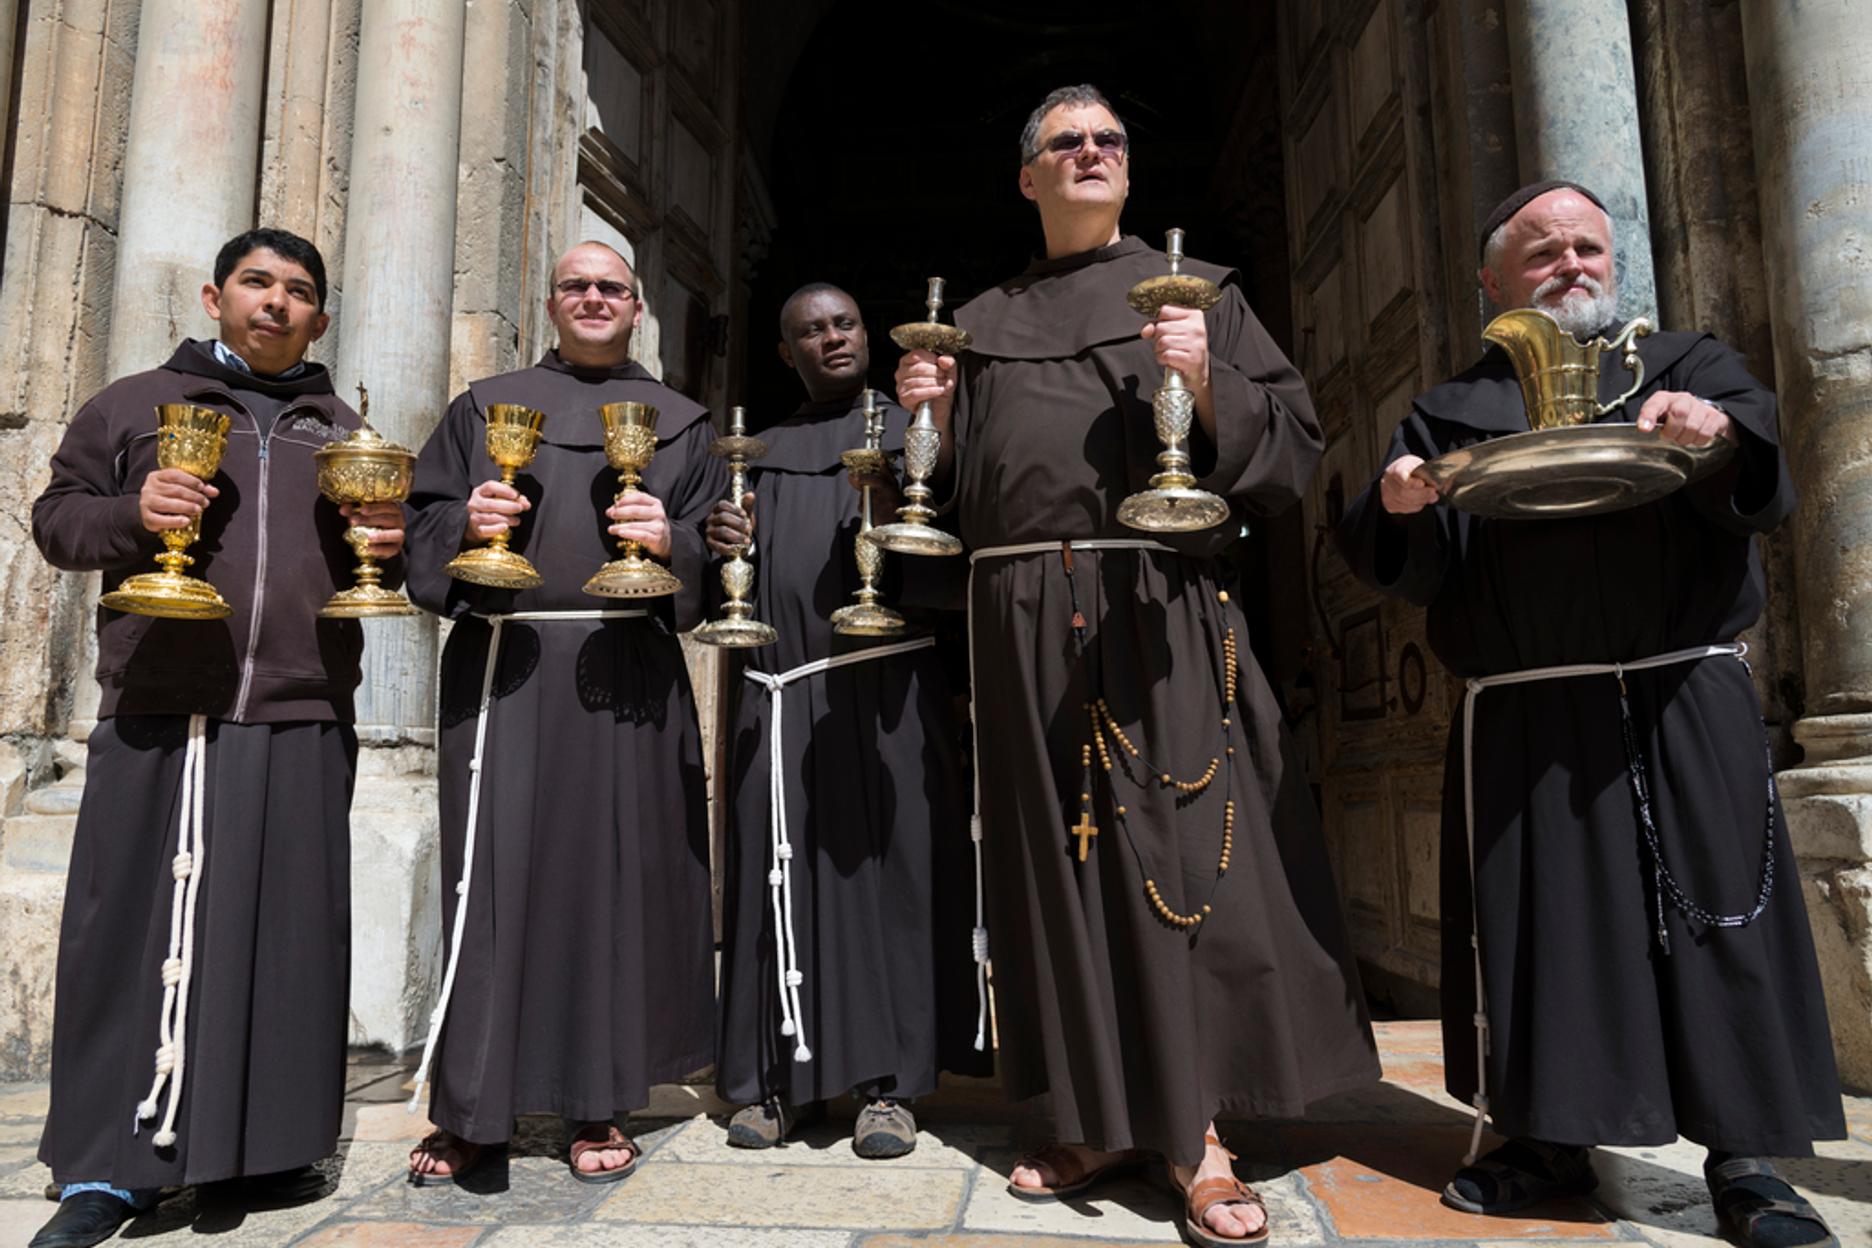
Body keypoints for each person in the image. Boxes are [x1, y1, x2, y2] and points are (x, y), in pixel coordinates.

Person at [894, 84, 1379, 1247]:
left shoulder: (1195, 289)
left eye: (1111, 138)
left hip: (1152, 601)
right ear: (1029, 177)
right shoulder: (979, 318)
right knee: (1050, 875)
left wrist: (1205, 373)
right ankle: (1091, 1112)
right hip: (1015, 615)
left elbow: (1294, 444)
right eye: (1068, 142)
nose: (1094, 152)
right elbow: (952, 499)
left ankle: (1197, 1135)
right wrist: (932, 422)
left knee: (1178, 863)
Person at [1337, 180, 1842, 1248]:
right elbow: (1409, 567)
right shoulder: (1451, 409)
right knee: (1551, 932)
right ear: (1492, 284)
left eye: (1589, 249)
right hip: (1531, 707)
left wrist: (1720, 432)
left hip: (1682, 687)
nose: (1572, 266)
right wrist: (1395, 505)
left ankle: (1748, 1158)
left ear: (1617, 264)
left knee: (1722, 921)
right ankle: (1552, 1137)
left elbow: (1763, 470)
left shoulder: (1687, 365)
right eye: (1542, 254)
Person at [28, 227, 400, 1248]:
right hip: (161, 702)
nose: (275, 303)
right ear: (215, 295)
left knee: (285, 936)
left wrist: (389, 545)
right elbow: (57, 522)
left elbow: (381, 572)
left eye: (298, 291)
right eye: (256, 284)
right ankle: (108, 1168)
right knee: (132, 936)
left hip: (302, 705)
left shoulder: (343, 425)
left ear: (320, 317)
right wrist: (133, 511)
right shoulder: (134, 402)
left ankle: (266, 1147)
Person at [401, 241, 722, 1187]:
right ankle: (472, 1112)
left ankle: (598, 1104)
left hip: (629, 672)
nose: (593, 298)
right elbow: (417, 524)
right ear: (548, 303)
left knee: (613, 881)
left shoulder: (680, 421)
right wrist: (463, 523)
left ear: (637, 309)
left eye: (612, 288)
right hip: (508, 667)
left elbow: (716, 543)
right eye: (576, 285)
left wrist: (677, 541)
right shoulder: (484, 407)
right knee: (488, 882)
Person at [705, 283, 987, 1158]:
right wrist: (718, 535)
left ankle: (891, 1090)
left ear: (867, 333)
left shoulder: (915, 435)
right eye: (809, 332)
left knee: (892, 882)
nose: (831, 339)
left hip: (885, 694)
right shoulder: (757, 452)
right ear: (785, 352)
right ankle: (769, 1083)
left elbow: (964, 548)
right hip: (778, 689)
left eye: (844, 324)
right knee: (771, 877)